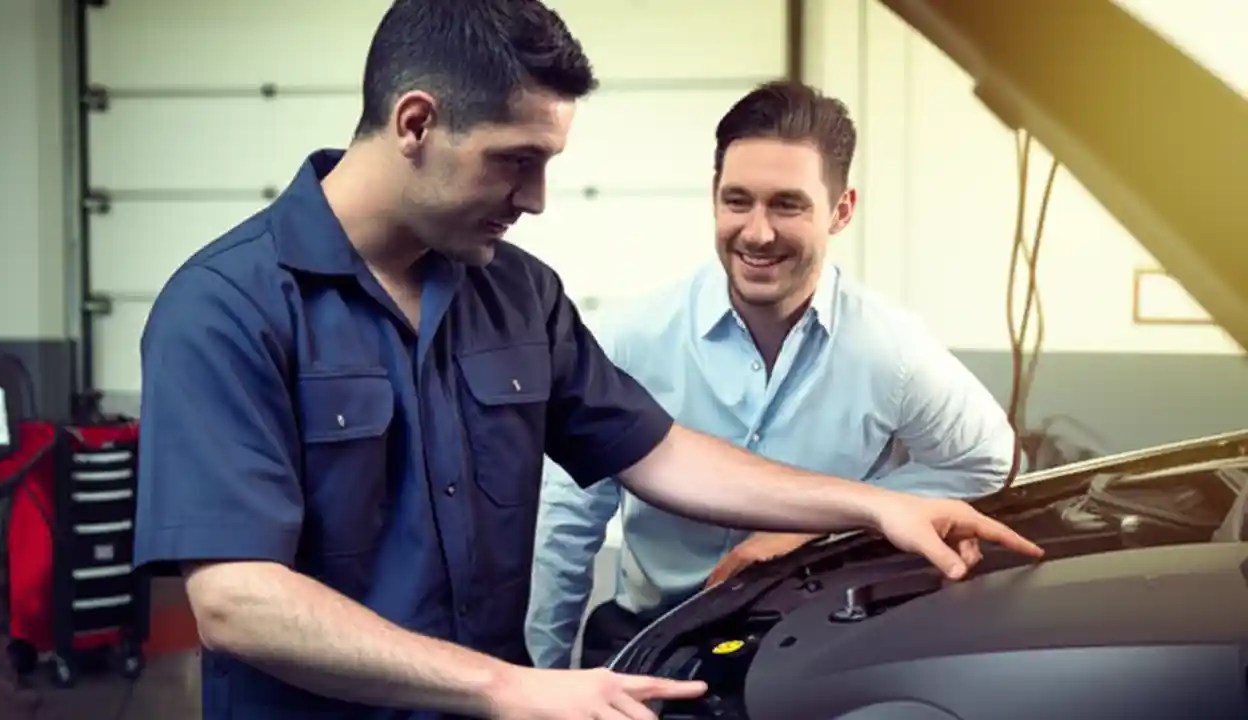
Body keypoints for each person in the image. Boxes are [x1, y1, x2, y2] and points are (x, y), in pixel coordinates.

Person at [132, 2, 1042, 719]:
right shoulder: (226, 307)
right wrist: (511, 685)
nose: (535, 198)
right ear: (416, 122)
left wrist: (878, 507)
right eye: (515, 161)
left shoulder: (518, 293)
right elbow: (237, 601)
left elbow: (663, 454)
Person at [525, 81, 1019, 670]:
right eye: (738, 201)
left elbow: (988, 458)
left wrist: (818, 529)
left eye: (787, 204)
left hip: (818, 633)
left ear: (841, 210)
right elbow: (566, 522)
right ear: (714, 198)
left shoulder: (892, 348)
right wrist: (539, 678)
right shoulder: (631, 335)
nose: (757, 233)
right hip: (654, 633)